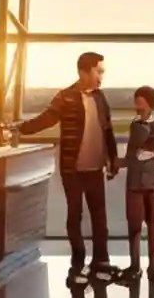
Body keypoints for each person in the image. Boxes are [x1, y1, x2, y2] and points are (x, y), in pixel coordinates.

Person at [16, 52, 120, 286]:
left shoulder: (101, 98)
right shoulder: (65, 97)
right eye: (98, 71)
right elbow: (45, 120)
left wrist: (112, 159)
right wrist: (20, 129)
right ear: (84, 72)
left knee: (99, 217)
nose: (102, 76)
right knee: (75, 215)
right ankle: (78, 263)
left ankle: (101, 261)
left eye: (102, 71)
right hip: (72, 168)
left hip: (95, 168)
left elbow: (108, 131)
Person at [121, 86, 154, 285]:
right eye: (136, 102)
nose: (137, 107)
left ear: (151, 104)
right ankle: (135, 266)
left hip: (150, 184)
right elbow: (134, 153)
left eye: (141, 103)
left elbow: (153, 153)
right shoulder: (136, 124)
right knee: (134, 226)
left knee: (153, 224)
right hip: (135, 183)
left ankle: (153, 266)